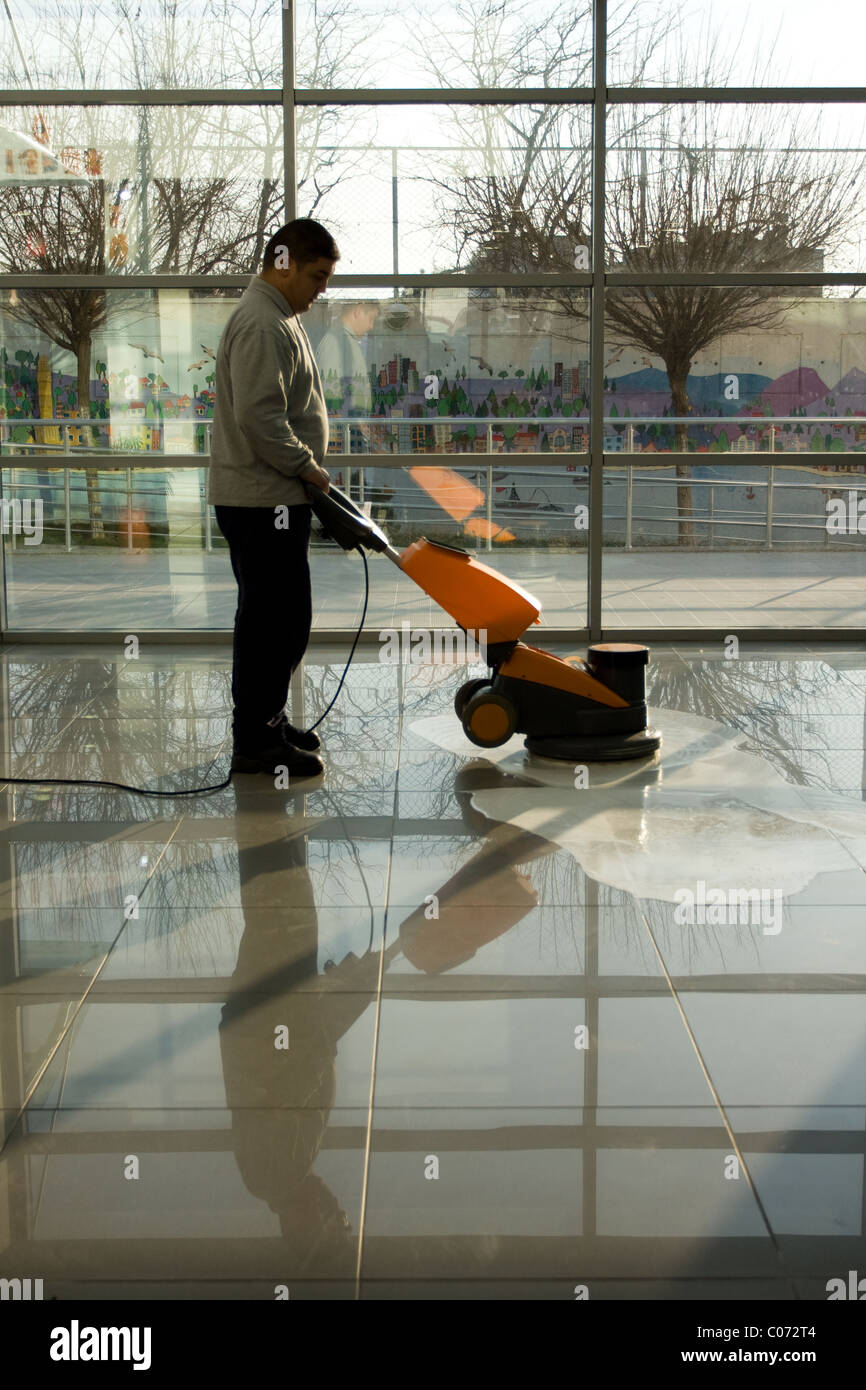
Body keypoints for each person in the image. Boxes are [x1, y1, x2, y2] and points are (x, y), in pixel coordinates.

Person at [207, 218, 338, 779]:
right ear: (284, 263)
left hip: (275, 498)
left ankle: (267, 720)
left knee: (281, 618)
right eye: (317, 275)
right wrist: (306, 467)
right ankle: (256, 742)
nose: (322, 288)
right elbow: (260, 418)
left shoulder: (278, 315)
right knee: (272, 622)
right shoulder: (263, 323)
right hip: (264, 501)